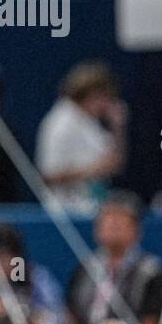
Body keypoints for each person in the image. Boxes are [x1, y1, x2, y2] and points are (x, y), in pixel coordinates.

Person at [65, 192, 162, 324]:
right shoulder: (85, 268)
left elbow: (152, 323)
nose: (112, 225)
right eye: (107, 220)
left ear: (137, 230)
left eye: (120, 221)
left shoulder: (151, 271)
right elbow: (70, 315)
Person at [36, 60, 127, 214]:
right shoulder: (60, 123)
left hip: (92, 206)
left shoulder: (90, 122)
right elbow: (48, 175)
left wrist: (118, 128)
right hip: (65, 211)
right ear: (92, 94)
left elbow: (115, 163)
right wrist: (93, 169)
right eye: (106, 97)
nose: (108, 103)